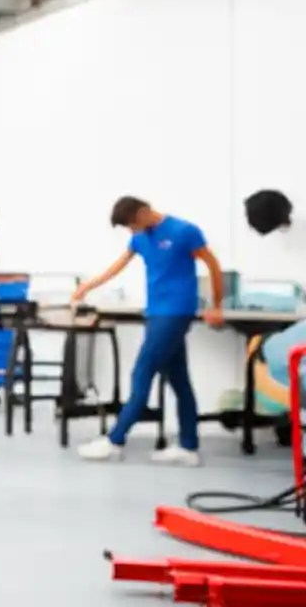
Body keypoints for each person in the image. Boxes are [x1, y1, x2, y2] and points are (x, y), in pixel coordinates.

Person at [71, 196, 224, 466]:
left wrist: (217, 304)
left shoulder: (184, 231)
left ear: (143, 213)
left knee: (142, 372)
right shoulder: (140, 238)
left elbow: (212, 264)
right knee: (179, 380)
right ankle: (188, 447)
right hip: (155, 313)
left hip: (176, 311)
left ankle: (114, 441)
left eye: (131, 224)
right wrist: (88, 286)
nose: (131, 231)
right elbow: (119, 265)